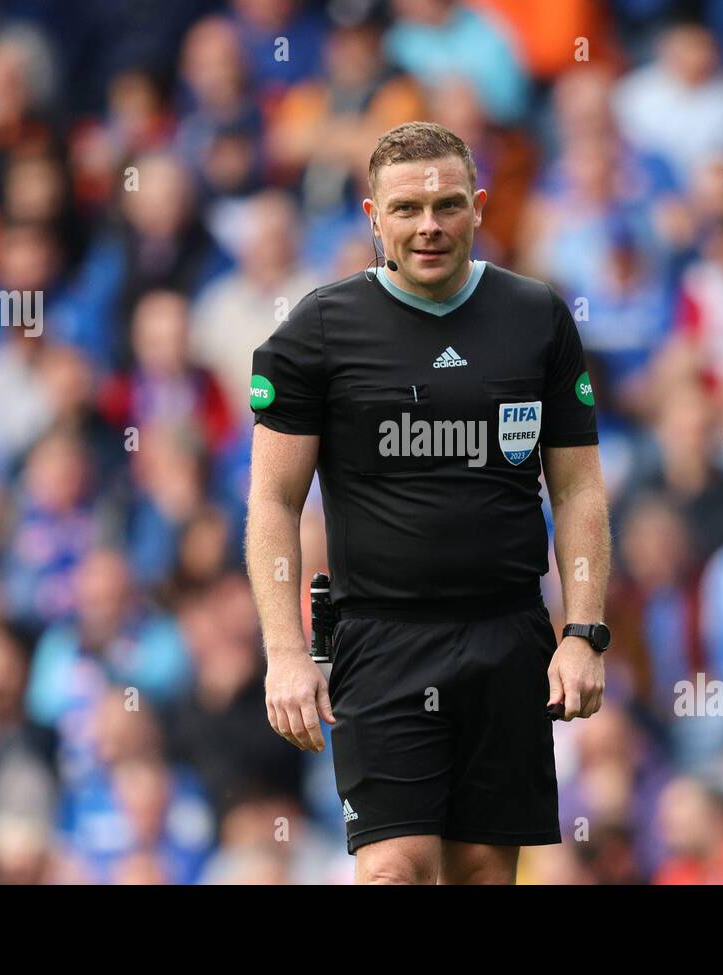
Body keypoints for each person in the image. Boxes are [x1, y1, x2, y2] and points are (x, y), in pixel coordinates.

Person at [245, 121, 611, 884]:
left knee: (480, 870)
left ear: (479, 206)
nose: (430, 227)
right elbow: (274, 500)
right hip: (380, 639)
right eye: (407, 210)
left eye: (448, 205)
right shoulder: (319, 328)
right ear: (374, 218)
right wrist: (284, 651)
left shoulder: (536, 317)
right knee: (392, 870)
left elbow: (578, 486)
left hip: (507, 634)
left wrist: (582, 631)